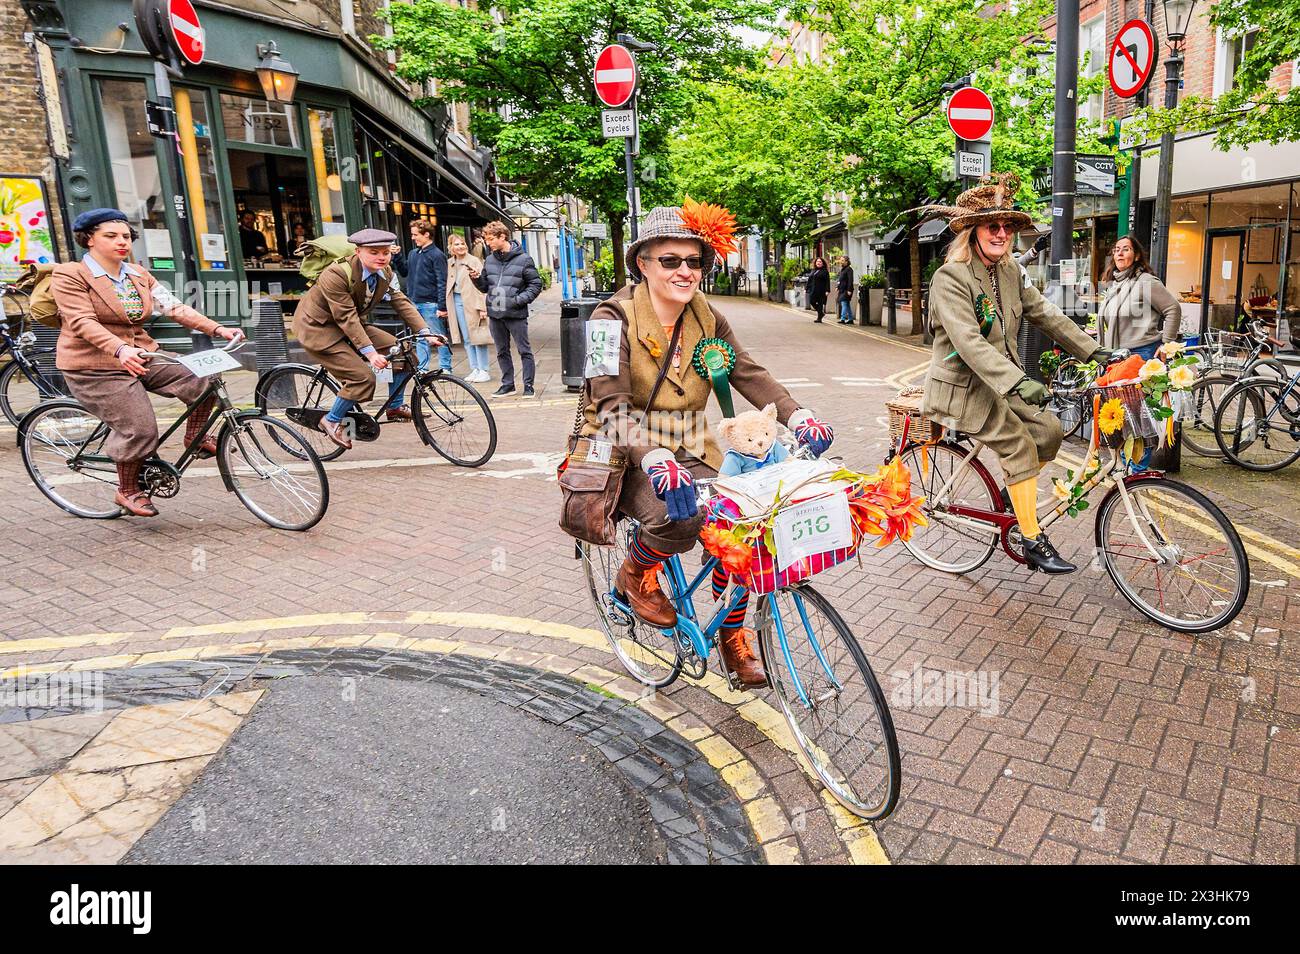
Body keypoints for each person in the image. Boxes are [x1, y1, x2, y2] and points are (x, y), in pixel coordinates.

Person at [579, 204, 836, 687]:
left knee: (744, 524)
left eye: (693, 262)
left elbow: (748, 371)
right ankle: (636, 572)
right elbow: (609, 403)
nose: (684, 271)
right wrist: (653, 458)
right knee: (681, 515)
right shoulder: (607, 318)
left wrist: (798, 416)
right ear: (643, 264)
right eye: (670, 260)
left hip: (693, 444)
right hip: (625, 445)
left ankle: (731, 634)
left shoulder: (706, 314)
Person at [918, 173, 1113, 574]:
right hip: (963, 387)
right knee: (1019, 446)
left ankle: (1014, 492)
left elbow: (1045, 313)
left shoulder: (1008, 272)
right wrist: (1019, 381)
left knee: (1050, 431)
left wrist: (1095, 351)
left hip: (1001, 383)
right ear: (972, 231)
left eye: (1008, 226)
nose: (1002, 232)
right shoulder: (950, 278)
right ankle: (1031, 539)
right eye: (993, 225)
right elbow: (969, 342)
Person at [52, 208, 244, 517]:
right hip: (94, 365)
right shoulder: (70, 275)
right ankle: (127, 490)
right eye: (111, 236)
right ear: (88, 239)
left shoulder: (137, 273)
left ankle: (195, 437)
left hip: (140, 353)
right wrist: (119, 350)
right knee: (140, 427)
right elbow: (82, 322)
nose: (122, 242)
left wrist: (217, 328)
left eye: (126, 236)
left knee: (204, 374)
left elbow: (175, 308)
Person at [292, 228, 444, 450]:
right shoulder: (335, 274)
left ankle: (394, 406)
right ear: (358, 251)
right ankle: (332, 420)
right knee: (362, 378)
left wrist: (426, 332)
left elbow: (401, 302)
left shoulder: (386, 272)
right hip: (319, 329)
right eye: (374, 252)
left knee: (403, 352)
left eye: (385, 252)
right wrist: (371, 354)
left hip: (350, 326)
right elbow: (346, 317)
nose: (381, 257)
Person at [472, 221, 542, 397]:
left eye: (490, 239)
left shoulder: (524, 259)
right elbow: (485, 287)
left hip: (515, 313)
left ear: (502, 237)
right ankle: (507, 385)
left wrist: (517, 300)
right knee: (501, 351)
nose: (488, 243)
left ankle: (528, 386)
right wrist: (476, 278)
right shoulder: (489, 259)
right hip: (495, 312)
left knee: (524, 350)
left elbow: (535, 285)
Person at [1097, 235, 1182, 360]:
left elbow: (1173, 309)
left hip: (1142, 353)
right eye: (1116, 250)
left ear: (1136, 256)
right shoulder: (1115, 285)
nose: (1119, 253)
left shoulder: (1145, 281)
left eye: (1126, 249)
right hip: (1117, 354)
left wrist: (1167, 344)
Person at [391, 220, 451, 374]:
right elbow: (404, 272)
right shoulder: (413, 253)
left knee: (438, 336)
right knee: (420, 338)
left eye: (415, 235)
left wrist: (442, 306)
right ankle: (423, 368)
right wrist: (397, 256)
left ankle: (445, 367)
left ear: (426, 234)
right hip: (414, 301)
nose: (413, 238)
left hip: (431, 303)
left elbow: (442, 281)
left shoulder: (437, 255)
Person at [445, 233, 493, 382]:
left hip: (473, 302)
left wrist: (483, 307)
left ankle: (484, 369)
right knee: (467, 338)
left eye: (462, 243)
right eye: (456, 244)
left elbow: (482, 286)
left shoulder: (474, 261)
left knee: (478, 336)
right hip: (457, 301)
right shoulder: (450, 262)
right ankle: (475, 368)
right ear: (451, 247)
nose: (460, 247)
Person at [806, 257, 830, 323]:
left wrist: (827, 290)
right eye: (817, 262)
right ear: (815, 263)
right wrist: (807, 288)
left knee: (820, 304)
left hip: (821, 290)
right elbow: (809, 280)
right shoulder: (813, 270)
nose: (818, 263)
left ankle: (819, 318)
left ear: (822, 263)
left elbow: (827, 281)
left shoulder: (825, 271)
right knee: (812, 301)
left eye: (820, 262)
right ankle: (821, 313)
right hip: (813, 290)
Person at [835, 255, 855, 324]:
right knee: (847, 304)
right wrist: (837, 286)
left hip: (847, 290)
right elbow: (840, 279)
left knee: (844, 303)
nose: (841, 262)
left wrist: (849, 290)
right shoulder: (843, 269)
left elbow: (850, 280)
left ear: (847, 262)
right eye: (841, 260)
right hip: (842, 290)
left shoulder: (849, 269)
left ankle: (842, 319)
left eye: (842, 260)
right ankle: (850, 319)